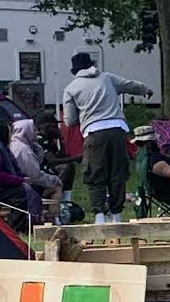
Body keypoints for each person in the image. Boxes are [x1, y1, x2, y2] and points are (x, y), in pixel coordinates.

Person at [61, 52, 154, 223]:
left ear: (74, 70)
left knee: (95, 174)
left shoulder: (71, 89)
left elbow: (70, 120)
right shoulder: (107, 78)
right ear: (92, 64)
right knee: (118, 173)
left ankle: (99, 216)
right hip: (118, 130)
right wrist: (145, 89)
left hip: (94, 133)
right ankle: (117, 215)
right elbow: (130, 85)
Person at [8, 117, 64, 223]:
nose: (37, 133)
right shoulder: (24, 150)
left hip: (20, 182)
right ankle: (53, 219)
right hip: (25, 185)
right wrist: (54, 179)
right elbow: (35, 176)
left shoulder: (14, 144)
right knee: (56, 186)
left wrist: (36, 146)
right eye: (34, 130)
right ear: (26, 131)